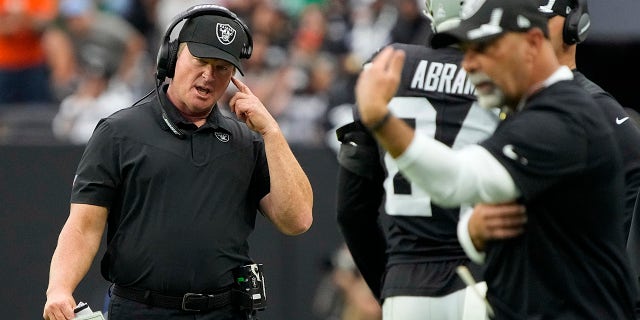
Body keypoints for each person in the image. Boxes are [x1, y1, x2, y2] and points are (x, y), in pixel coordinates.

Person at [353, 0, 636, 318]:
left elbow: (458, 180)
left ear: (531, 43)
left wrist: (381, 120)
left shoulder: (564, 117)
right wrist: (471, 235)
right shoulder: (534, 113)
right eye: (467, 50)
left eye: (485, 47)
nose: (469, 64)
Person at [42, 5, 313, 320]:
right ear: (171, 57)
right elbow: (83, 226)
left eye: (222, 67)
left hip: (225, 312)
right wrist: (59, 288)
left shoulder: (247, 140)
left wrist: (272, 132)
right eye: (201, 61)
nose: (209, 76)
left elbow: (298, 220)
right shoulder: (119, 132)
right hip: (142, 311)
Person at [462, 0, 640, 316]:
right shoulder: (509, 104)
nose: (531, 30)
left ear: (575, 25)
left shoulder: (598, 112)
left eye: (542, 18)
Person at [335, 0, 499, 319]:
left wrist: (389, 286)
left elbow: (351, 211)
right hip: (487, 278)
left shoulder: (386, 67)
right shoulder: (502, 74)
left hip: (406, 285)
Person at [0, 0, 58, 104]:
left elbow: (44, 23)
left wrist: (18, 20)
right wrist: (25, 20)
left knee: (36, 111)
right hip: (4, 64)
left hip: (33, 64)